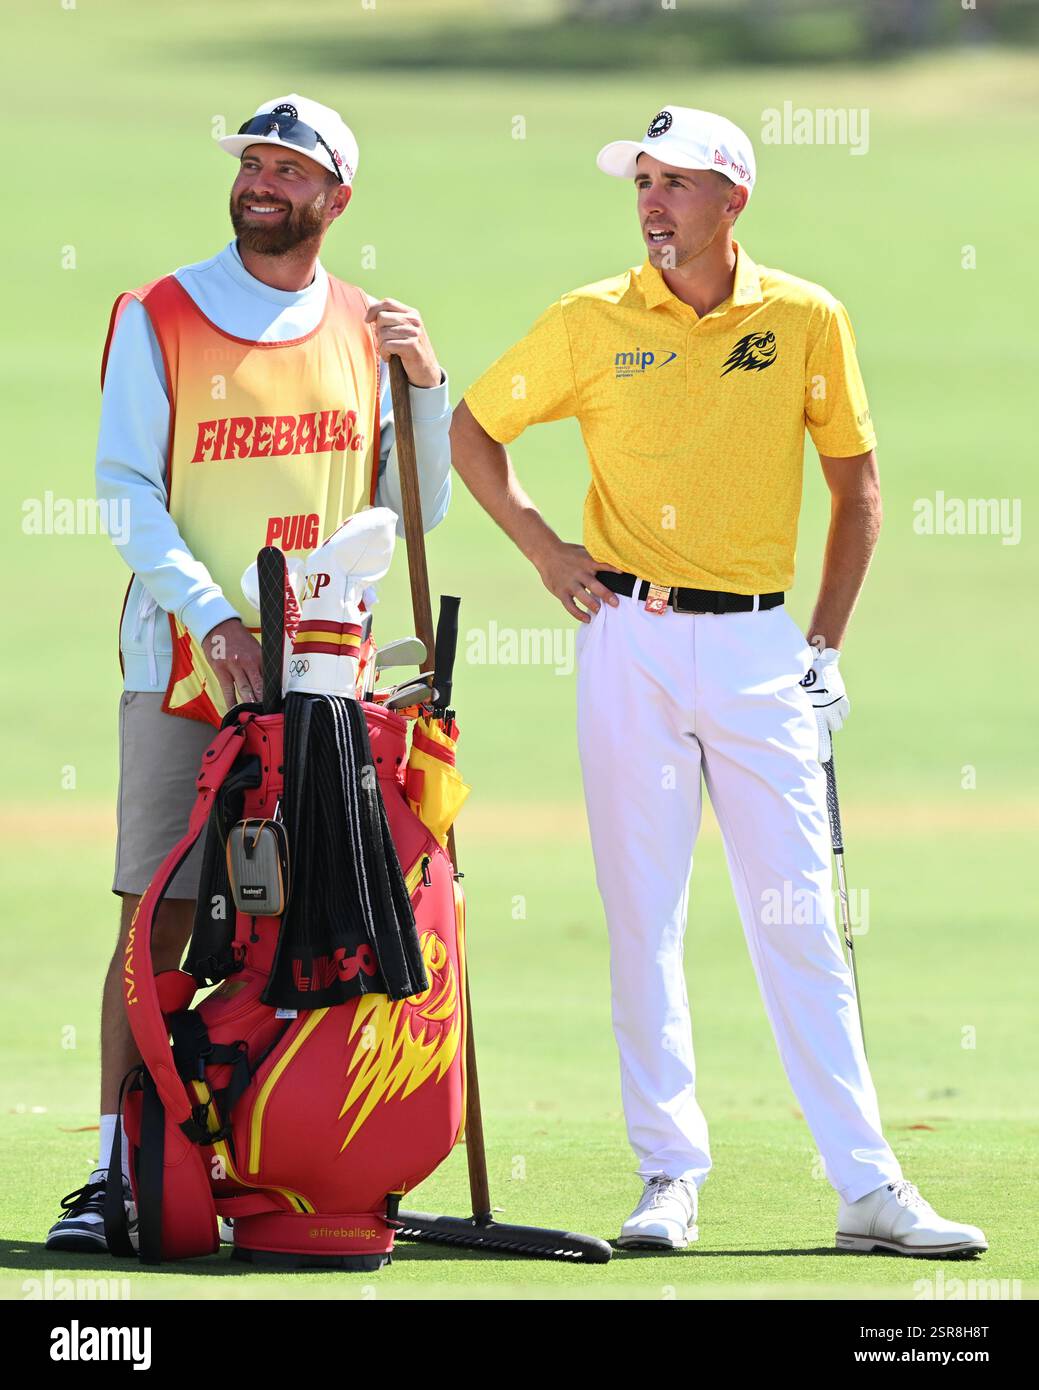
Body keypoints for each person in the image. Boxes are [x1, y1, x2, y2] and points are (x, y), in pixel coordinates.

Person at [449, 106, 987, 1257]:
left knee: (797, 916)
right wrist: (545, 549)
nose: (651, 201)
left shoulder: (803, 317)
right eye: (641, 181)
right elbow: (472, 428)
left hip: (758, 649)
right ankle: (667, 1175)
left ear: (732, 200)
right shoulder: (588, 319)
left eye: (676, 183)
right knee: (642, 919)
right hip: (628, 639)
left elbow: (858, 495)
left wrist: (824, 650)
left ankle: (866, 1185)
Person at [47, 94, 452, 1253]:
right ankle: (121, 1167)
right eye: (253, 162)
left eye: (289, 167)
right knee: (159, 916)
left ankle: (295, 1158)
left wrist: (424, 388)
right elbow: (127, 487)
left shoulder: (367, 326)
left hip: (328, 681)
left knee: (321, 919)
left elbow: (407, 506)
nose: (262, 180)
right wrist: (214, 621)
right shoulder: (161, 312)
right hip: (187, 670)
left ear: (336, 199)